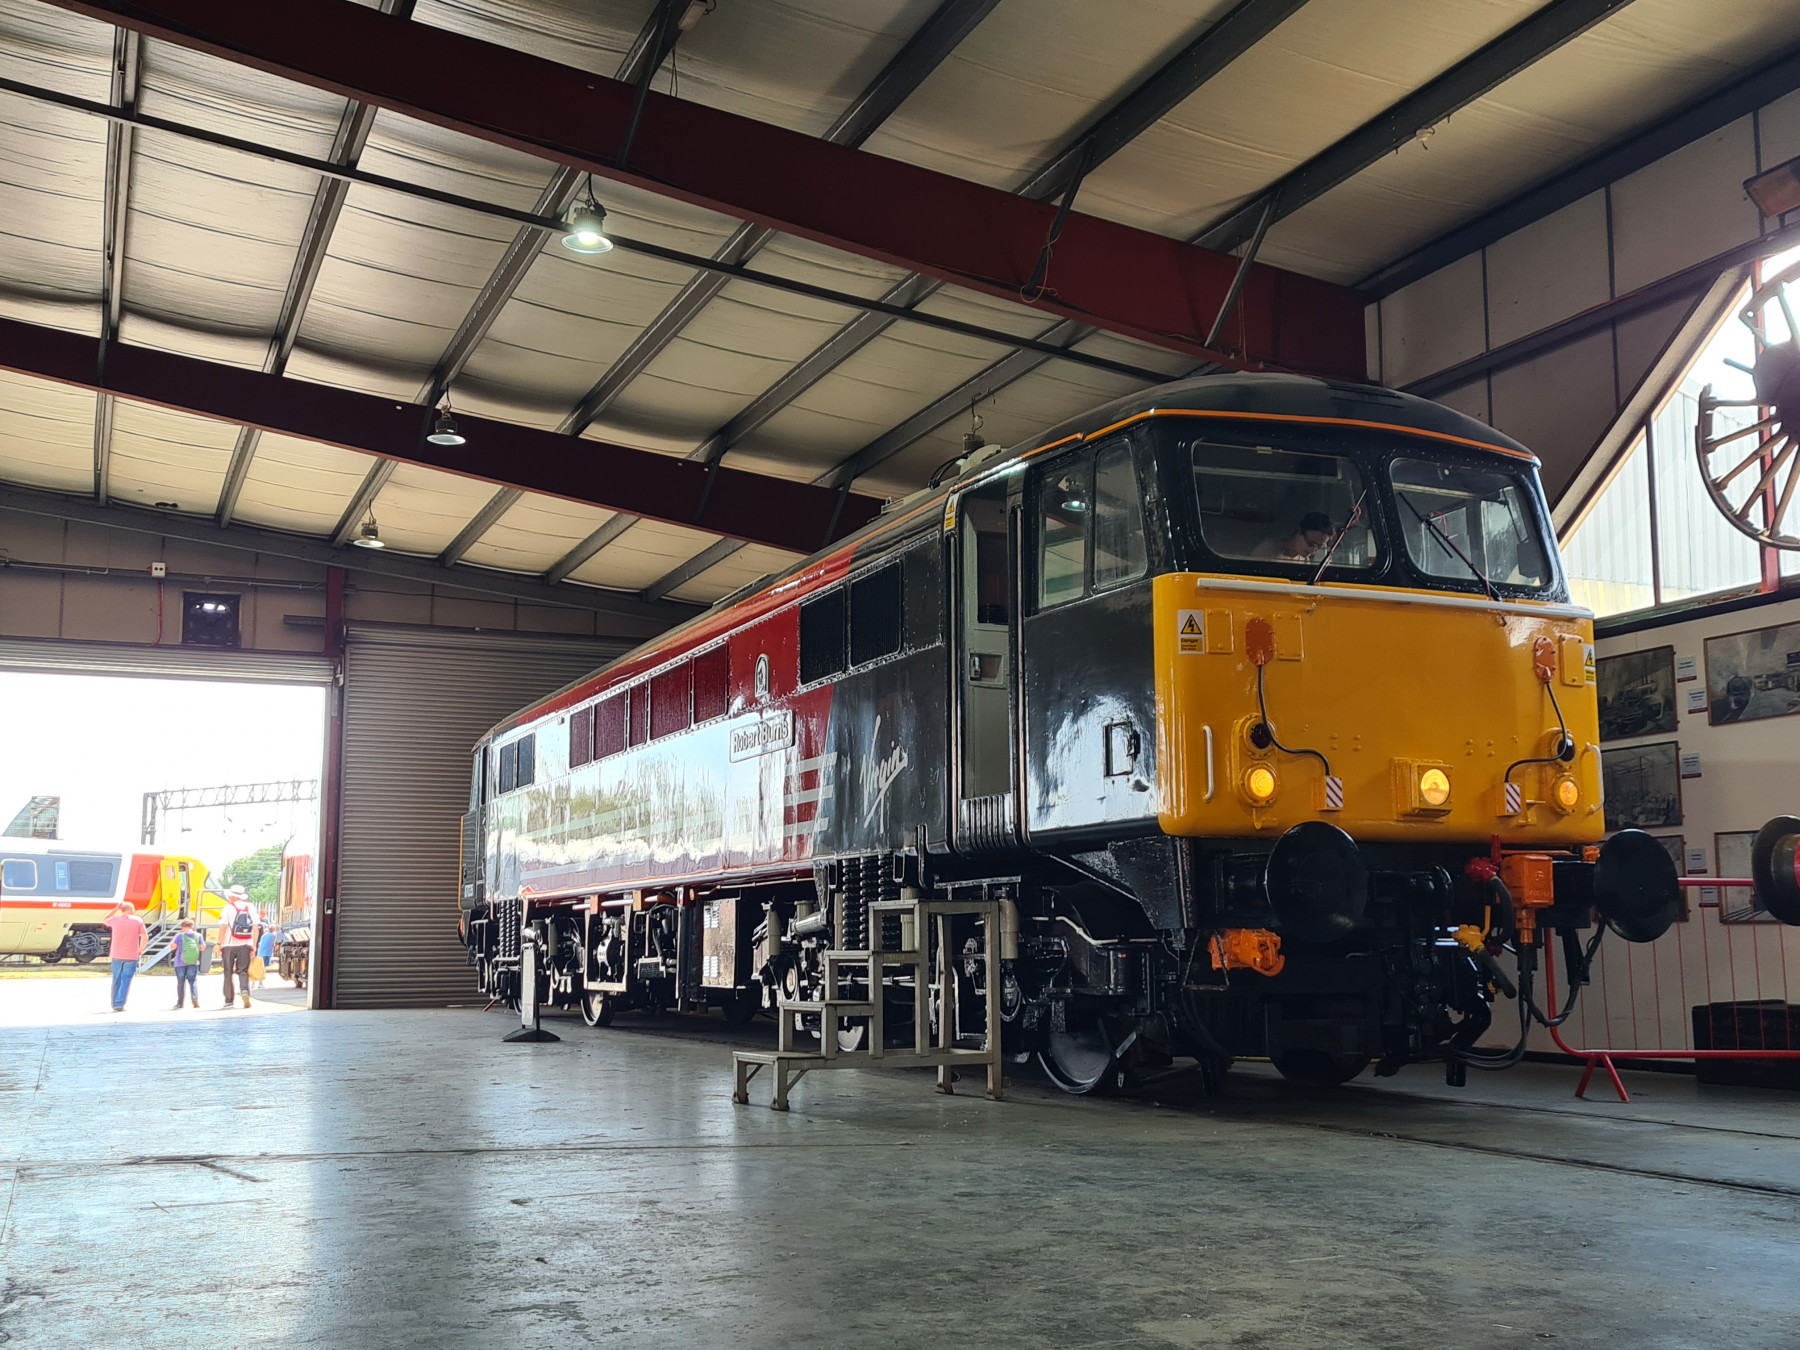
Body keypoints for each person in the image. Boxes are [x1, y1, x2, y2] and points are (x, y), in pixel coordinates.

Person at [215, 884, 260, 1010]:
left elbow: (223, 927)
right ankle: (244, 991)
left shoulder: (228, 908)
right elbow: (256, 927)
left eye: (230, 895)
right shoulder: (250, 907)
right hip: (245, 944)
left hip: (228, 945)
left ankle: (229, 1001)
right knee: (243, 971)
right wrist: (254, 945)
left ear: (233, 896)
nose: (228, 897)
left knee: (228, 972)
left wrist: (219, 944)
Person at [102, 900, 148, 1013]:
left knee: (116, 979)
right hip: (131, 955)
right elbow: (145, 936)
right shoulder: (138, 920)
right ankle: (119, 1004)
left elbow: (105, 919)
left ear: (121, 910)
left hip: (116, 954)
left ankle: (114, 1003)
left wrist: (115, 909)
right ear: (131, 910)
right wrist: (141, 949)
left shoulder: (115, 920)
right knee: (126, 980)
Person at [1254, 510, 1333, 562]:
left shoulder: (1305, 561)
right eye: (1311, 544)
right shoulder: (1267, 549)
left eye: (1318, 547)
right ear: (1299, 531)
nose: (1312, 551)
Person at [171, 918, 203, 1010]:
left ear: (182, 927)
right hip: (193, 962)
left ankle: (180, 1003)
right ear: (193, 927)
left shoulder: (180, 936)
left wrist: (176, 937)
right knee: (193, 981)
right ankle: (194, 998)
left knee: (181, 983)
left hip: (180, 963)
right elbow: (203, 948)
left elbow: (172, 947)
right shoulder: (198, 935)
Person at [253, 918, 276, 989]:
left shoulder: (264, 935)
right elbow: (275, 944)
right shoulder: (273, 935)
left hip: (260, 953)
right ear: (274, 929)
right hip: (266, 954)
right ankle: (260, 983)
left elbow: (260, 943)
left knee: (258, 968)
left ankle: (253, 983)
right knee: (263, 969)